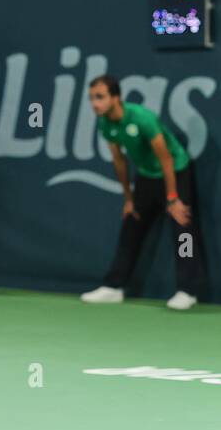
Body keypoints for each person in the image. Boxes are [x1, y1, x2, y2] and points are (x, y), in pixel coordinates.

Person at [80, 75, 205, 310]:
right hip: (146, 176)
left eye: (100, 97)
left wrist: (172, 198)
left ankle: (187, 291)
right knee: (131, 223)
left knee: (182, 230)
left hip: (174, 171)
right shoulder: (105, 123)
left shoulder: (142, 118)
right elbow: (119, 162)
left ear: (116, 98)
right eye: (91, 98)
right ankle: (114, 287)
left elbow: (165, 157)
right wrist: (128, 199)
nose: (94, 104)